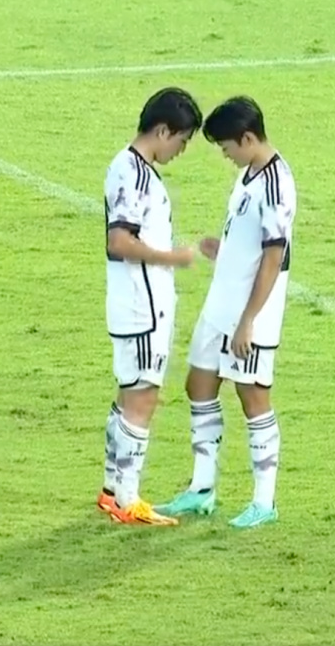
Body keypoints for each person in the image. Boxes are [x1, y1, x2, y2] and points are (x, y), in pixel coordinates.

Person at [157, 96, 297, 529]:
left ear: (249, 138)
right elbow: (251, 241)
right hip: (222, 304)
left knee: (252, 397)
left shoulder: (277, 184)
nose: (225, 155)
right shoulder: (248, 173)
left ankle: (263, 501)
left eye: (227, 147)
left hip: (250, 313)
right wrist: (226, 250)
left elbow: (275, 258)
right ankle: (202, 489)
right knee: (198, 384)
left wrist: (250, 321)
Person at [99, 86, 202, 526]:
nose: (180, 151)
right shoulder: (133, 174)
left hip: (135, 304)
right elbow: (119, 241)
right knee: (143, 397)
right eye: (180, 141)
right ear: (163, 130)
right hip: (143, 307)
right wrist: (172, 257)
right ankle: (128, 498)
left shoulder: (132, 169)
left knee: (130, 395)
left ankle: (112, 491)